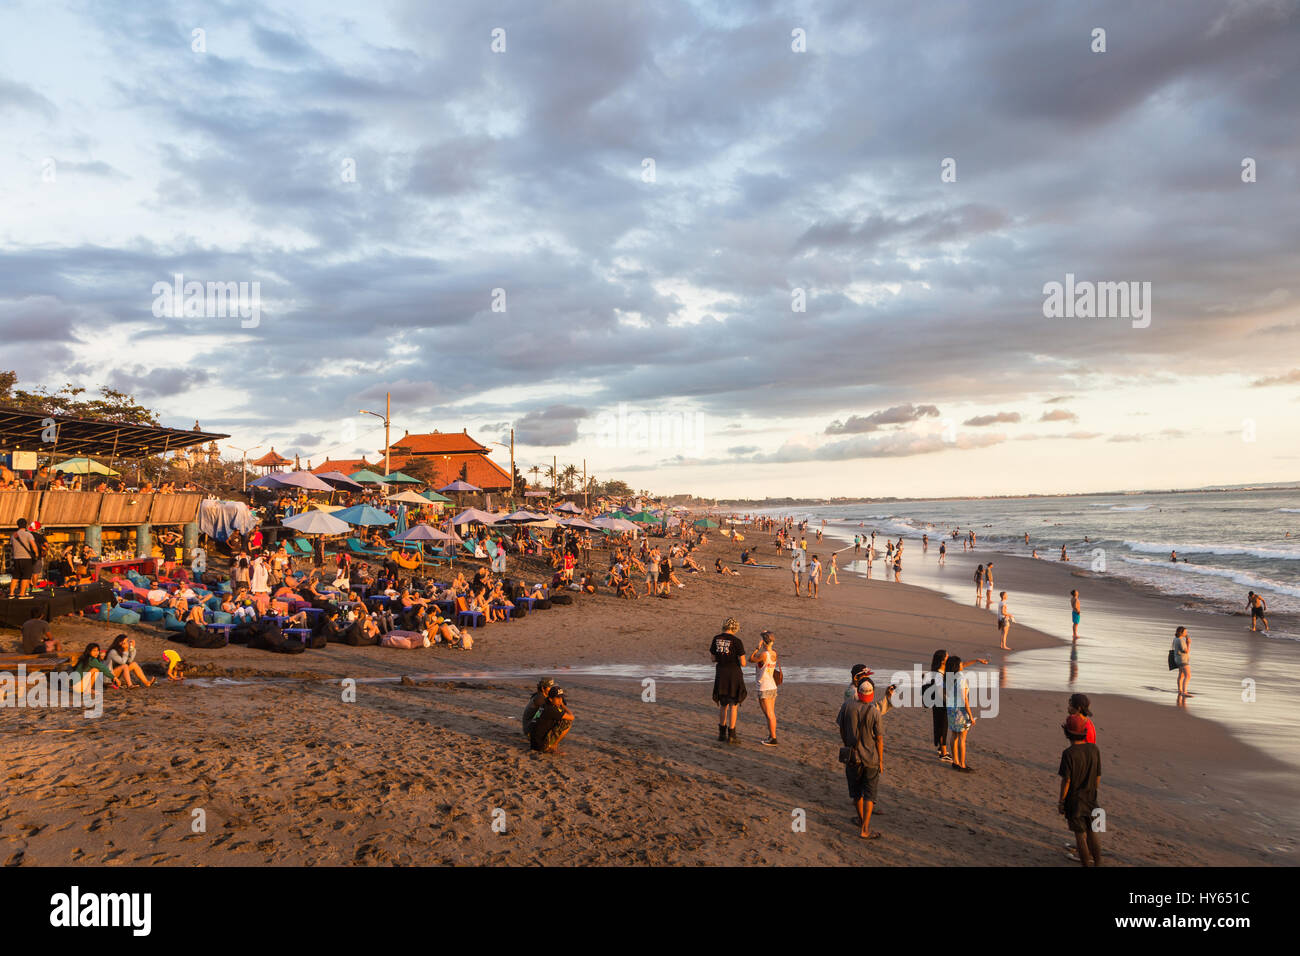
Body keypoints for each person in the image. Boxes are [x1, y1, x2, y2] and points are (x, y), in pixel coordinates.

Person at [836, 674, 884, 841]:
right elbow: (879, 738)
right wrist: (881, 761)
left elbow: (841, 728)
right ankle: (865, 828)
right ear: (871, 695)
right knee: (869, 794)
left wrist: (848, 744)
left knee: (856, 793)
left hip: (852, 757)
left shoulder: (847, 706)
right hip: (871, 758)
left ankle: (861, 820)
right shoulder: (874, 711)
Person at [1058, 714, 1102, 866]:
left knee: (1080, 836)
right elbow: (1098, 776)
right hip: (1092, 797)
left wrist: (1061, 801)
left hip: (1075, 801)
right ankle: (1098, 864)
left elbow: (1067, 780)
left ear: (1067, 733)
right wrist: (1093, 791)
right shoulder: (1094, 749)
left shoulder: (1068, 753)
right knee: (1092, 832)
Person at [709, 618, 748, 744]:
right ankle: (732, 734)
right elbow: (743, 662)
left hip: (721, 673)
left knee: (723, 704)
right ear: (735, 628)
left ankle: (721, 733)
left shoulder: (716, 638)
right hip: (733, 674)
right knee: (733, 705)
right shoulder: (737, 641)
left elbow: (713, 658)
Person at [946, 655, 976, 772]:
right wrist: (971, 716)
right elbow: (964, 699)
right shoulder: (961, 678)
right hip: (960, 710)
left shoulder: (949, 677)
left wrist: (976, 660)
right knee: (962, 738)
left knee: (954, 736)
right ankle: (962, 764)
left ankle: (955, 762)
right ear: (957, 666)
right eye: (960, 663)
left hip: (951, 709)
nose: (962, 664)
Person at [751, 630, 779, 746]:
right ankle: (771, 735)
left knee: (769, 714)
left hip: (764, 687)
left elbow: (751, 659)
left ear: (764, 642)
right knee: (771, 713)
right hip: (772, 686)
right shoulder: (774, 653)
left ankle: (773, 737)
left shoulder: (764, 655)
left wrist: (757, 648)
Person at [529, 686, 574, 754]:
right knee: (567, 722)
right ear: (550, 699)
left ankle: (548, 744)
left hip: (534, 743)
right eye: (558, 698)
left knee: (558, 720)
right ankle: (552, 746)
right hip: (541, 746)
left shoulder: (544, 705)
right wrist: (562, 705)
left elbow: (534, 721)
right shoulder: (551, 709)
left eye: (561, 698)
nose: (560, 700)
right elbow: (572, 717)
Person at [924, 650, 950, 761]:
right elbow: (939, 691)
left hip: (940, 702)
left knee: (941, 725)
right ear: (942, 660)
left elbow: (959, 665)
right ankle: (943, 753)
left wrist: (976, 661)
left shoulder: (941, 669)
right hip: (941, 703)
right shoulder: (938, 673)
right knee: (942, 726)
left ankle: (941, 748)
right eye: (947, 656)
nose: (949, 657)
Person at [7, 517, 39, 598]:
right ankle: (22, 594)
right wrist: (36, 554)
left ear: (17, 525)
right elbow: (34, 546)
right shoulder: (28, 534)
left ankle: (11, 593)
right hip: (26, 558)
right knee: (26, 576)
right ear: (26, 525)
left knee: (15, 576)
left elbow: (11, 546)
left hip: (16, 558)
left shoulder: (13, 535)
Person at [1171, 626, 1192, 699]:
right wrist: (1188, 643)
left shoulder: (1175, 639)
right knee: (1188, 675)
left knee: (1181, 675)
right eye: (1185, 632)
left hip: (1177, 659)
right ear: (1181, 632)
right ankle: (1184, 692)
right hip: (1182, 660)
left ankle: (1180, 690)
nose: (1186, 633)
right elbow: (1186, 651)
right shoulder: (1180, 640)